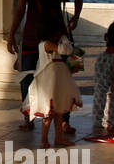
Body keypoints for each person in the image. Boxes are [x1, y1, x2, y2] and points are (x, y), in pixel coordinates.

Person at [6, 0, 83, 132]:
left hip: (57, 34)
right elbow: (19, 10)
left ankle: (64, 119)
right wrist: (11, 35)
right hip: (32, 34)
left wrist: (75, 18)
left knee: (61, 76)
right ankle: (29, 118)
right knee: (27, 77)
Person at [23, 21, 81, 149]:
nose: (59, 35)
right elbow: (66, 50)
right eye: (57, 33)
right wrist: (65, 38)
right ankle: (44, 140)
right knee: (49, 114)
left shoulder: (50, 44)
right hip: (50, 84)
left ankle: (59, 138)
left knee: (59, 112)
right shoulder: (47, 44)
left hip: (57, 82)